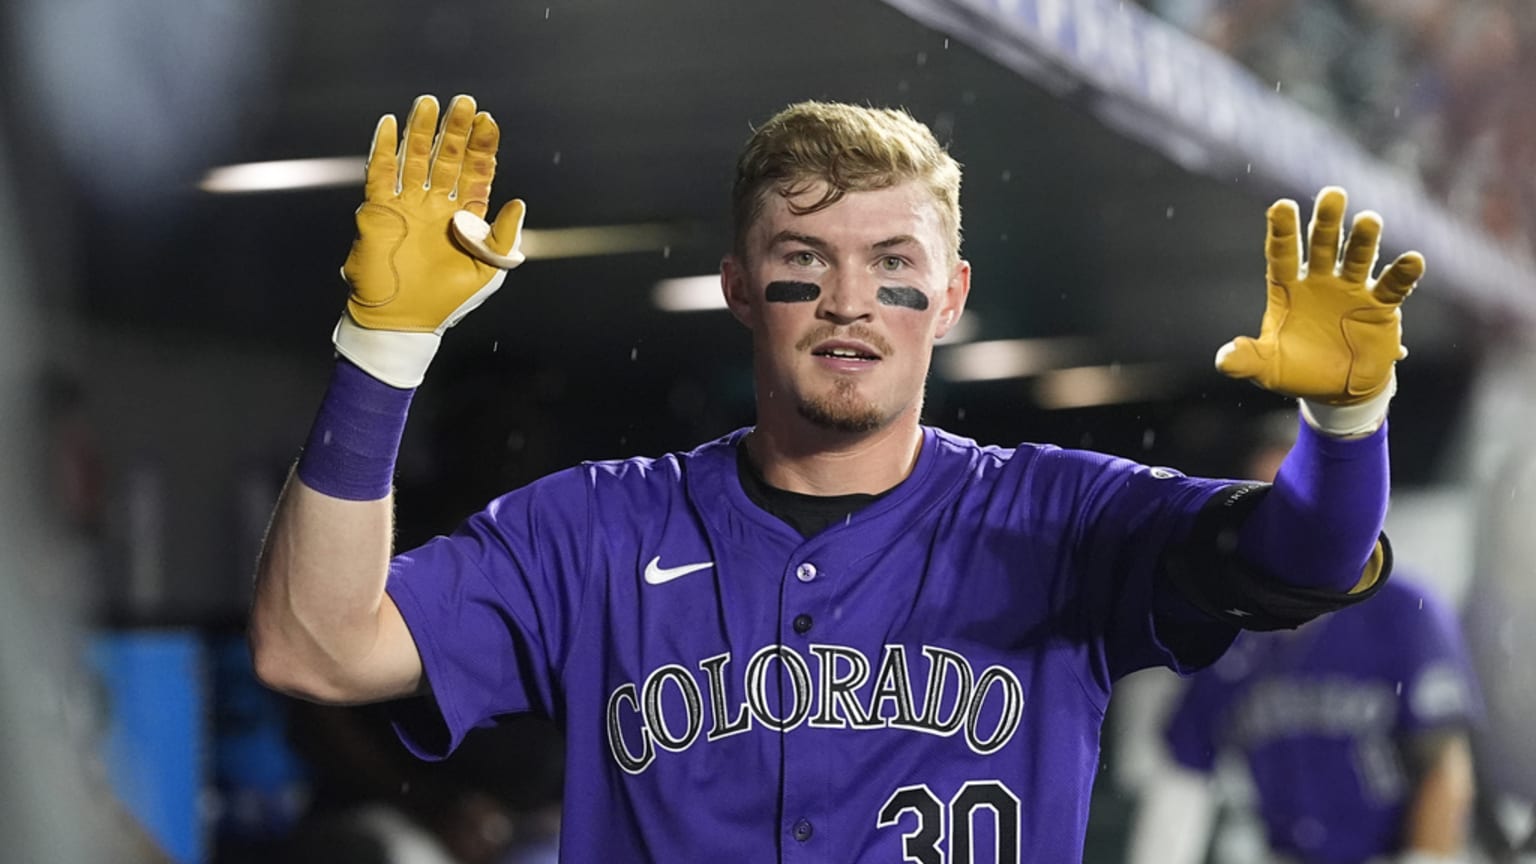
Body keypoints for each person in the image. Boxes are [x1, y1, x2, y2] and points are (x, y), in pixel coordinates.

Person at [249, 92, 1423, 862]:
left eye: (892, 262)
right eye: (803, 260)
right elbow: (315, 646)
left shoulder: (1061, 515)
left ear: (950, 298)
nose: (850, 300)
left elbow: (1307, 558)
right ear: (739, 288)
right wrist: (383, 352)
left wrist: (1346, 424)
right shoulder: (597, 528)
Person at [1125, 414, 1481, 864]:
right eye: (1269, 502)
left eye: (1301, 501)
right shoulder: (1231, 623)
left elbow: (1446, 767)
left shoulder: (1404, 609)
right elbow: (1184, 773)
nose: (1287, 525)